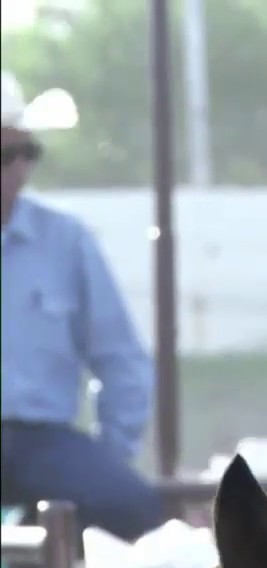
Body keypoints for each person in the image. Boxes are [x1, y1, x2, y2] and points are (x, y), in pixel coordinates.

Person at [1, 71, 165, 542]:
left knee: (135, 508)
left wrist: (110, 455)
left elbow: (120, 357)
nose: (17, 169)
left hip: (43, 441)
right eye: (4, 155)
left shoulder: (66, 241)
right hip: (42, 446)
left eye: (27, 153)